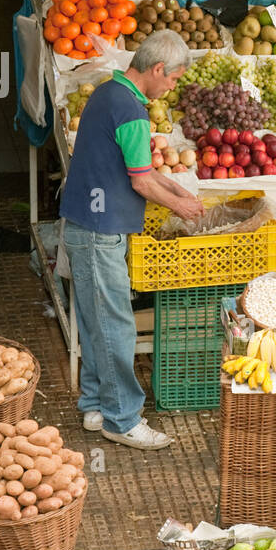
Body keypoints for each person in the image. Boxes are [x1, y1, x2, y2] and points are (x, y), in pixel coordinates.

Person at [60, 31, 205, 450]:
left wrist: (176, 191)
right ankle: (122, 419)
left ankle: (95, 405)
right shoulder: (133, 113)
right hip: (100, 232)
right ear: (158, 69)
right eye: (174, 79)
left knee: (94, 318)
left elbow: (138, 170)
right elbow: (141, 182)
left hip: (84, 225)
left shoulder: (108, 94)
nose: (172, 87)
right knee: (116, 325)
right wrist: (179, 208)